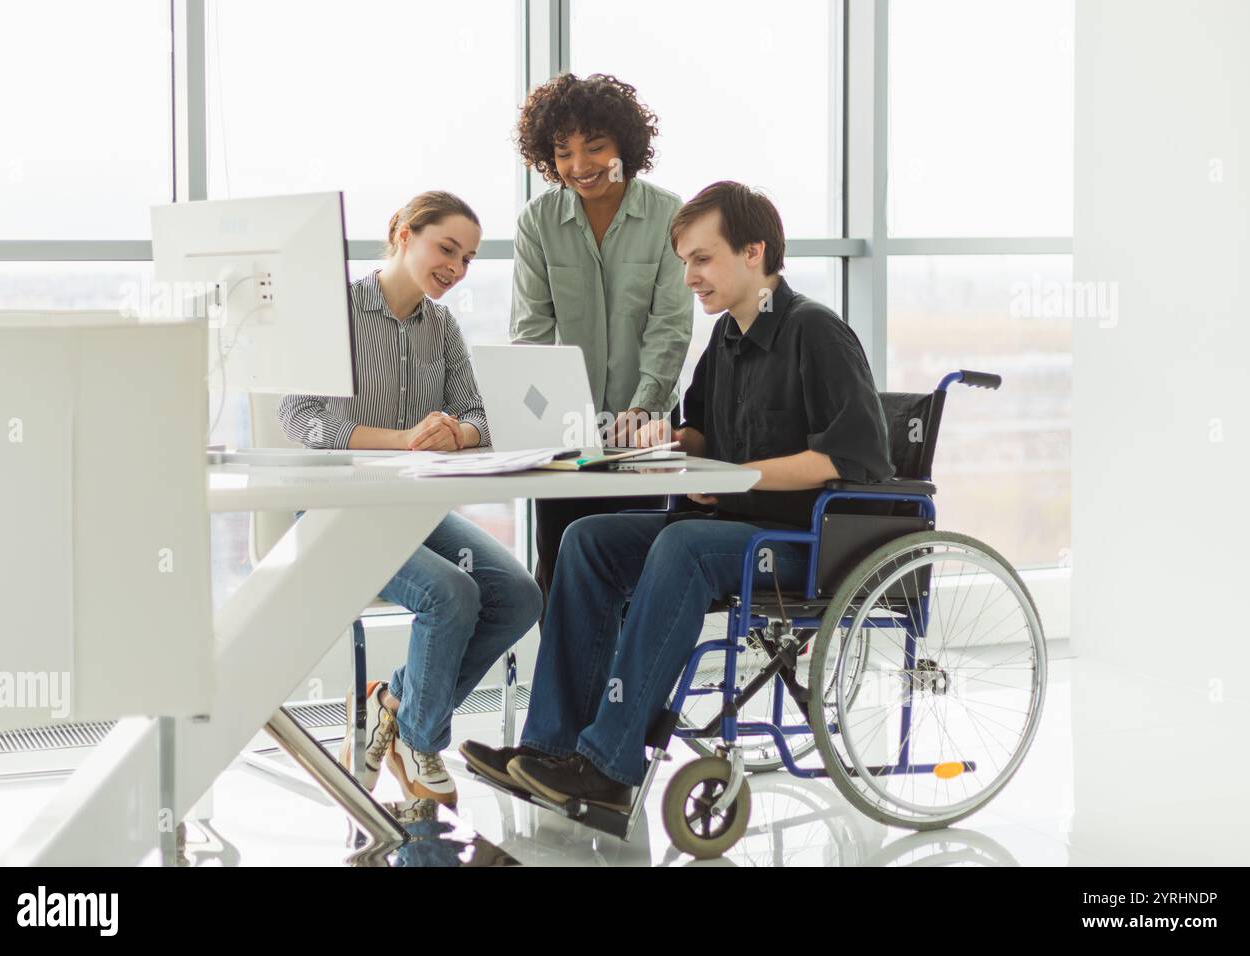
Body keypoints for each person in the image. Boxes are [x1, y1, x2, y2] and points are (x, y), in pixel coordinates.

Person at [462, 181, 893, 809]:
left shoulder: (816, 334)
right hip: (735, 529)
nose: (689, 276)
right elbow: (702, 434)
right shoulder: (728, 340)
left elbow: (846, 458)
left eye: (702, 258)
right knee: (587, 540)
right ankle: (552, 746)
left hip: (805, 543)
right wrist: (662, 440)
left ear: (754, 252)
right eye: (684, 260)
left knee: (682, 546)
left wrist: (736, 478)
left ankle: (609, 766)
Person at [279, 191, 541, 807]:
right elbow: (298, 415)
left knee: (519, 597)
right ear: (402, 232)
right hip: (337, 514)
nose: (456, 267)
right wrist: (400, 441)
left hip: (414, 513)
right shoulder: (336, 310)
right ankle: (420, 741)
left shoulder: (442, 325)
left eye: (469, 258)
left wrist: (460, 433)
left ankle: (392, 703)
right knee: (451, 595)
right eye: (446, 248)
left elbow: (479, 416)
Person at [510, 72, 694, 613]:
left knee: (638, 569)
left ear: (625, 149)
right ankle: (567, 695)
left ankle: (631, 695)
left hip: (647, 421)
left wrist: (643, 407)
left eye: (594, 148)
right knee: (560, 568)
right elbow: (531, 332)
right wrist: (538, 420)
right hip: (566, 432)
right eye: (563, 153)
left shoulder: (666, 214)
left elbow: (670, 325)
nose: (580, 166)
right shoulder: (538, 221)